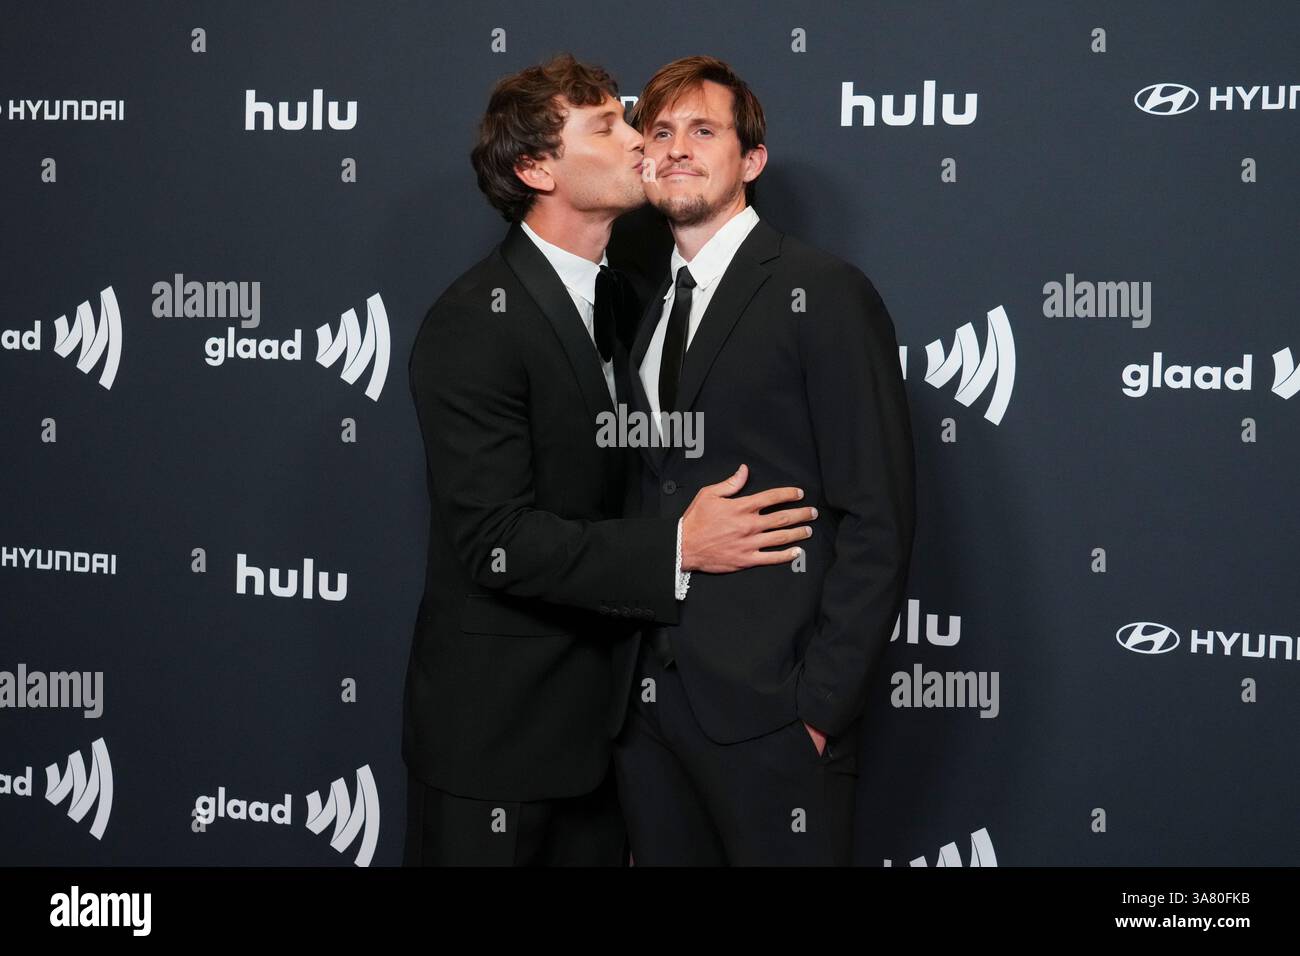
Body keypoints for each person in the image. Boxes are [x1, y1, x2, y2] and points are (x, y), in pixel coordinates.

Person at [402, 53, 816, 866]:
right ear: (535, 167)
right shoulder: (473, 322)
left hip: (612, 742)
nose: (641, 143)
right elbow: (495, 538)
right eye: (608, 127)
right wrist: (678, 548)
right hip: (498, 750)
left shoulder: (630, 301)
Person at [612, 55, 916, 865]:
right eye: (661, 130)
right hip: (649, 714)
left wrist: (817, 709)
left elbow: (877, 513)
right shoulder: (642, 315)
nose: (677, 147)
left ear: (751, 161)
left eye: (703, 131)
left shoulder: (823, 292)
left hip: (774, 715)